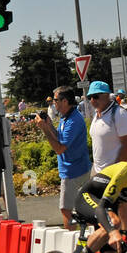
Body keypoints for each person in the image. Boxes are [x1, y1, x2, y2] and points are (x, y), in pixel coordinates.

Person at [35, 86, 90, 231]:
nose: (53, 103)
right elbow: (60, 138)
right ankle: (92, 236)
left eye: (55, 100)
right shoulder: (67, 117)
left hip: (73, 171)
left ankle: (72, 241)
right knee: (85, 208)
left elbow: (59, 149)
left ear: (65, 101)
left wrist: (45, 129)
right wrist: (50, 126)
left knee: (66, 209)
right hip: (76, 167)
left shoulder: (73, 121)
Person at [86, 81, 127, 171]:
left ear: (107, 95)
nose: (92, 100)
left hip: (115, 173)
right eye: (90, 97)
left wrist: (114, 171)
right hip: (98, 171)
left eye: (96, 96)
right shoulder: (97, 114)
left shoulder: (119, 114)